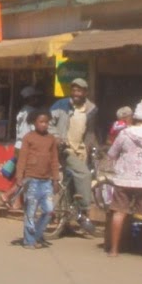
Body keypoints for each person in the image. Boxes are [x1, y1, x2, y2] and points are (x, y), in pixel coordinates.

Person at [107, 99, 142, 260]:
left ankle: (114, 250)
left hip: (124, 179)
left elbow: (112, 153)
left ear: (136, 117)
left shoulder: (125, 133)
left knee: (119, 212)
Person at [49, 77, 97, 236]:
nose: (76, 93)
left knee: (70, 187)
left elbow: (90, 131)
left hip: (82, 151)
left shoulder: (91, 109)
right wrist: (56, 137)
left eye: (79, 90)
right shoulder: (61, 105)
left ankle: (65, 223)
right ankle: (84, 212)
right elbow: (48, 122)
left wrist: (92, 148)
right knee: (83, 175)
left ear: (85, 92)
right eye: (74, 90)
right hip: (65, 149)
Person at [14, 110, 61, 250]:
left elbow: (54, 160)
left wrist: (56, 179)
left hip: (46, 181)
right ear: (34, 122)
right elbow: (22, 159)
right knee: (30, 212)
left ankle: (37, 234)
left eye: (46, 122)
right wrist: (19, 177)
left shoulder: (51, 139)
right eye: (41, 122)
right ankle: (29, 241)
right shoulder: (28, 138)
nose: (44, 125)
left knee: (49, 211)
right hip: (31, 180)